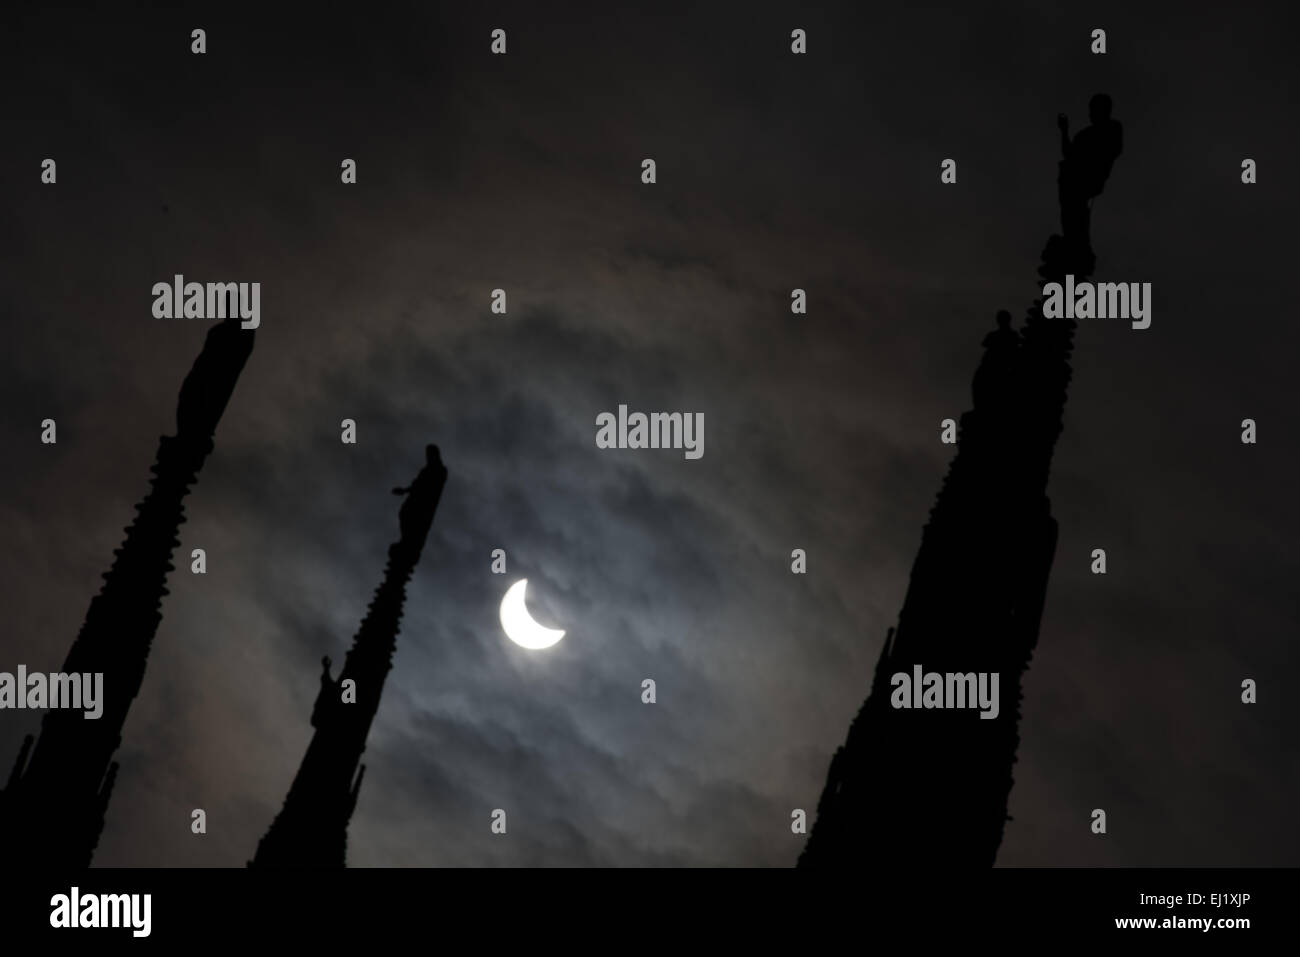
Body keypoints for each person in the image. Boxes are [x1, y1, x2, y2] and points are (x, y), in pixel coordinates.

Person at [1057, 95, 1123, 258]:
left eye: (1093, 110)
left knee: (1075, 206)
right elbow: (1069, 154)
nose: (1090, 114)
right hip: (1074, 179)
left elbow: (1114, 149)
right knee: (1071, 208)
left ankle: (1077, 242)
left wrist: (1091, 161)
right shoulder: (1083, 135)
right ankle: (1073, 239)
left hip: (1088, 177)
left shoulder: (1112, 128)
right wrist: (1064, 131)